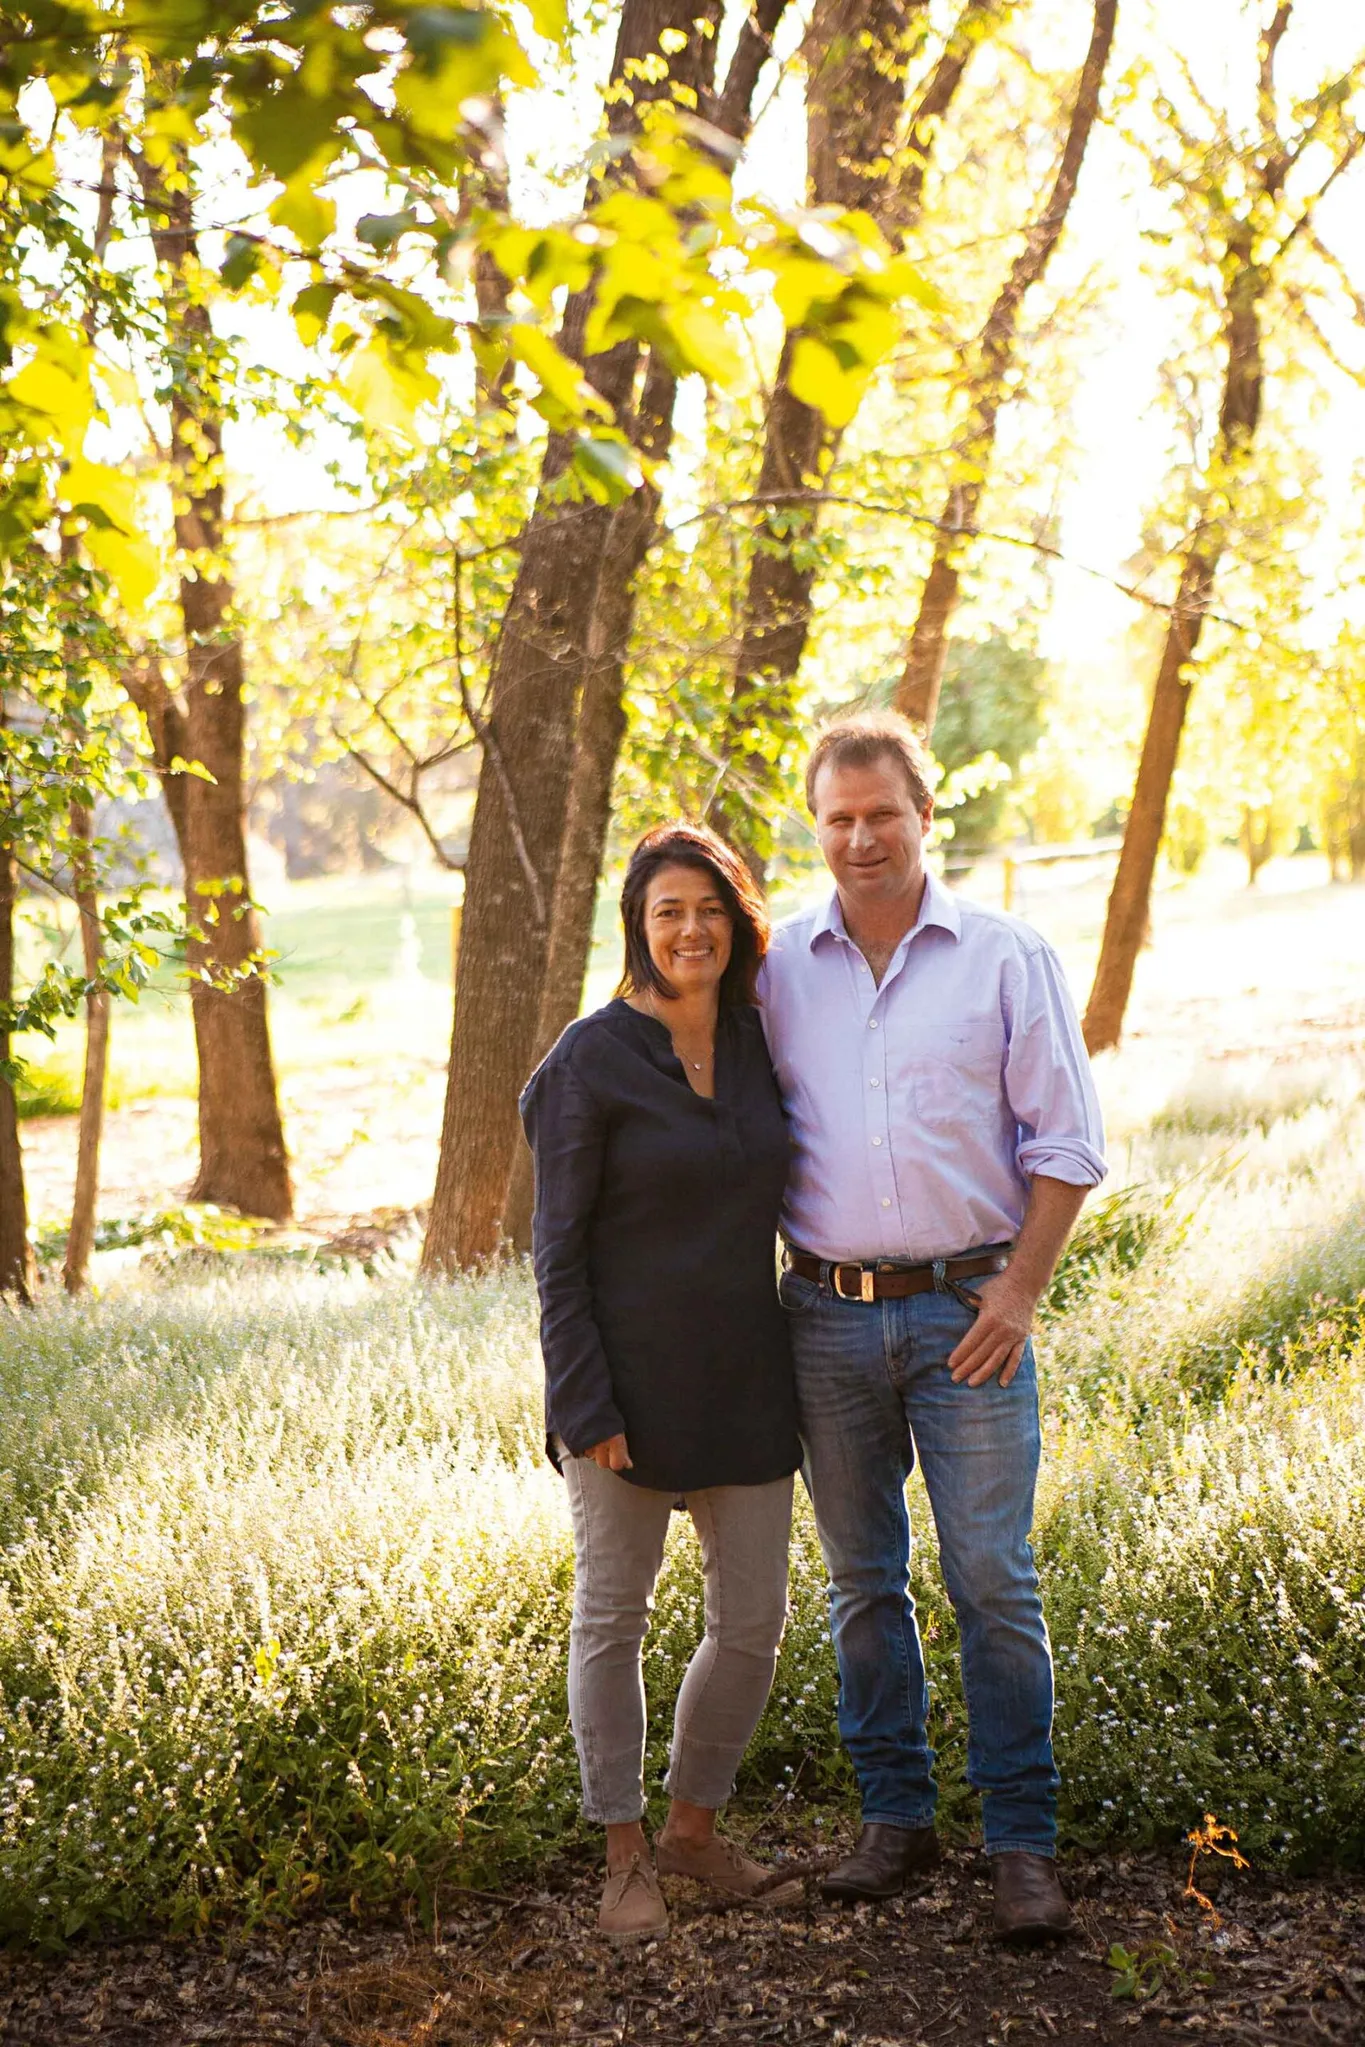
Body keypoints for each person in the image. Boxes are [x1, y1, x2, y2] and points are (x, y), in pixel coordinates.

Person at [758, 711, 1106, 1942]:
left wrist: (1017, 1293)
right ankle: (895, 1822)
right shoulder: (778, 965)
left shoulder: (1006, 957)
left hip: (972, 1315)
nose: (861, 838)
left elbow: (1068, 1145)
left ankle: (1021, 1841)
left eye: (882, 814)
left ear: (924, 815)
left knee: (993, 1581)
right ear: (819, 825)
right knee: (863, 1581)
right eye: (839, 819)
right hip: (827, 1318)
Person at [519, 822, 802, 1944]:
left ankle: (693, 1829)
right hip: (621, 1391)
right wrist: (586, 1406)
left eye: (711, 909)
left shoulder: (761, 1040)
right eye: (669, 910)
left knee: (753, 1627)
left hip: (745, 1378)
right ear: (639, 925)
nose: (692, 929)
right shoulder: (589, 1059)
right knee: (612, 1620)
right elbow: (558, 1252)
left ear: (739, 923)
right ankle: (623, 1852)